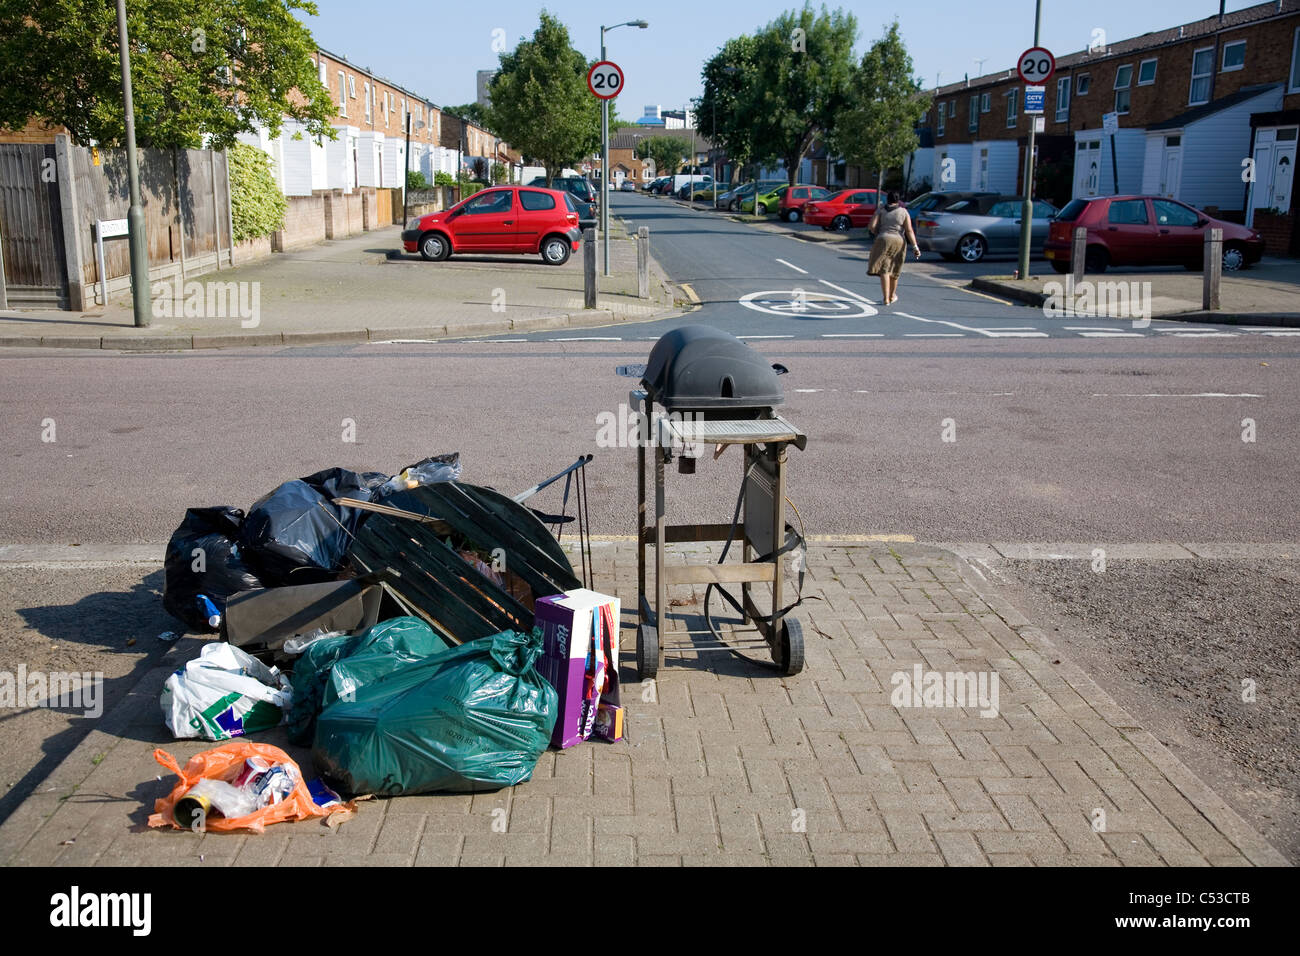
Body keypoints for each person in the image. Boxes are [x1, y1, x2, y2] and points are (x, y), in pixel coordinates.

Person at [867, 191, 921, 306]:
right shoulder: (903, 212)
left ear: (887, 200)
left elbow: (871, 227)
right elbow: (909, 230)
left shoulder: (881, 210)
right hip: (898, 241)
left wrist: (878, 229)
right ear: (898, 200)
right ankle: (892, 295)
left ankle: (885, 298)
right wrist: (915, 246)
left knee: (884, 269)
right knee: (895, 270)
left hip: (883, 239)